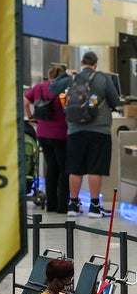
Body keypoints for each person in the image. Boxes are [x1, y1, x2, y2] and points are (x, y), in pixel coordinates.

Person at [49, 51, 122, 217]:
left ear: (82, 63)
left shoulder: (72, 78)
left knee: (75, 168)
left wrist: (64, 75)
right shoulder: (103, 78)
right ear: (95, 64)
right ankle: (95, 207)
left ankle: (73, 205)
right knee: (95, 168)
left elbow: (52, 89)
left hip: (75, 129)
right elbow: (116, 101)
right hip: (99, 130)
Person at [24, 65, 68, 215]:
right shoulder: (63, 89)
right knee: (63, 169)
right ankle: (63, 205)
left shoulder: (39, 87)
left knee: (51, 168)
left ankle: (51, 204)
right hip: (61, 133)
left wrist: (30, 116)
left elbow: (25, 101)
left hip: (42, 133)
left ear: (49, 76)